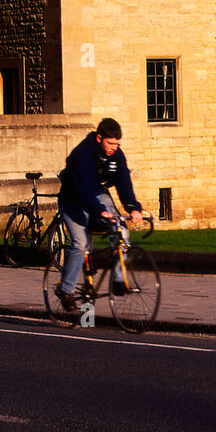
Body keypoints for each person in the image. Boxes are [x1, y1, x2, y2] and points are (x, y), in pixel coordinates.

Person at [55, 118, 143, 311]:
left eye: (117, 144)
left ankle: (119, 280)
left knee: (122, 233)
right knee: (80, 243)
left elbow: (123, 183)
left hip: (98, 195)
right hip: (73, 198)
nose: (114, 148)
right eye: (110, 143)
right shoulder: (83, 154)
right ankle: (66, 290)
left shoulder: (117, 156)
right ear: (99, 138)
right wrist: (100, 211)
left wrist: (133, 208)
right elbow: (83, 187)